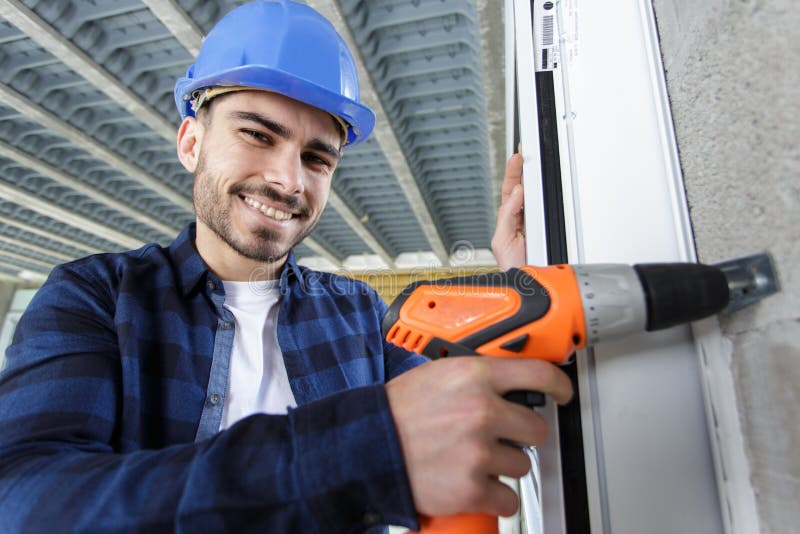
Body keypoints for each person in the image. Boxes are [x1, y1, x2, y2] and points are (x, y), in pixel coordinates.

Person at [0, 1, 572, 532]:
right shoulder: (97, 297)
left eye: (317, 157)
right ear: (191, 142)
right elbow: (23, 500)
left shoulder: (357, 313)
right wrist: (347, 455)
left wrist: (519, 289)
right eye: (257, 134)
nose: (288, 179)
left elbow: (471, 406)